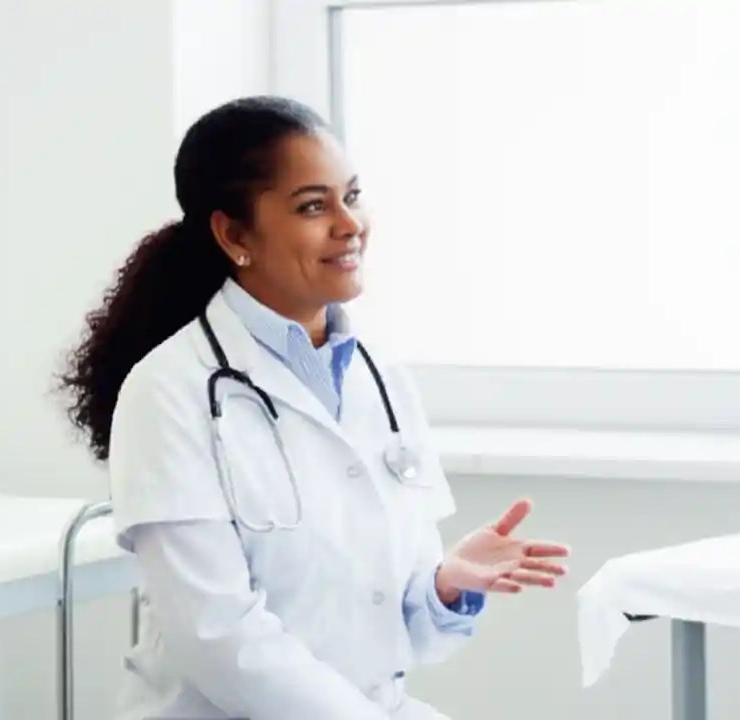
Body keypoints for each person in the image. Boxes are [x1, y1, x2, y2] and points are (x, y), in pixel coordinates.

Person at [61, 96, 570, 720]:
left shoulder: (379, 377)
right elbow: (219, 636)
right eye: (312, 206)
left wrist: (444, 588)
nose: (349, 223)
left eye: (351, 196)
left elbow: (396, 630)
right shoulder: (168, 391)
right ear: (234, 234)